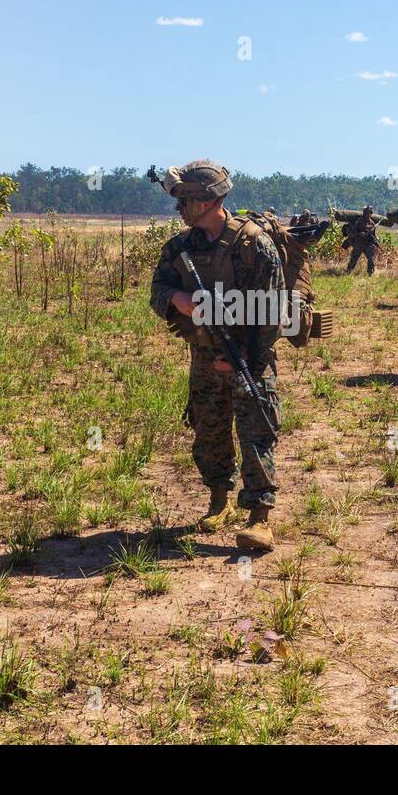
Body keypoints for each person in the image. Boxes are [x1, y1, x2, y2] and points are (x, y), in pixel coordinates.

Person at [149, 160, 285, 550]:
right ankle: (218, 500)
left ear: (209, 201)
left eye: (186, 201)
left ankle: (260, 517)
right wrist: (179, 300)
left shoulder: (253, 244)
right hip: (205, 357)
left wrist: (249, 360)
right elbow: (157, 289)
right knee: (208, 430)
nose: (180, 209)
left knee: (256, 433)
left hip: (248, 357)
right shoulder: (180, 247)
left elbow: (273, 312)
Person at [344, 205, 380, 275]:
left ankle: (370, 273)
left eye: (369, 213)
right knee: (354, 259)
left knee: (371, 259)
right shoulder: (359, 221)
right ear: (364, 213)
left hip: (368, 243)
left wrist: (376, 241)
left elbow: (373, 234)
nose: (368, 214)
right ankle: (348, 272)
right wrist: (360, 234)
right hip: (359, 243)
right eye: (367, 213)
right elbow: (353, 231)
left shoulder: (372, 223)